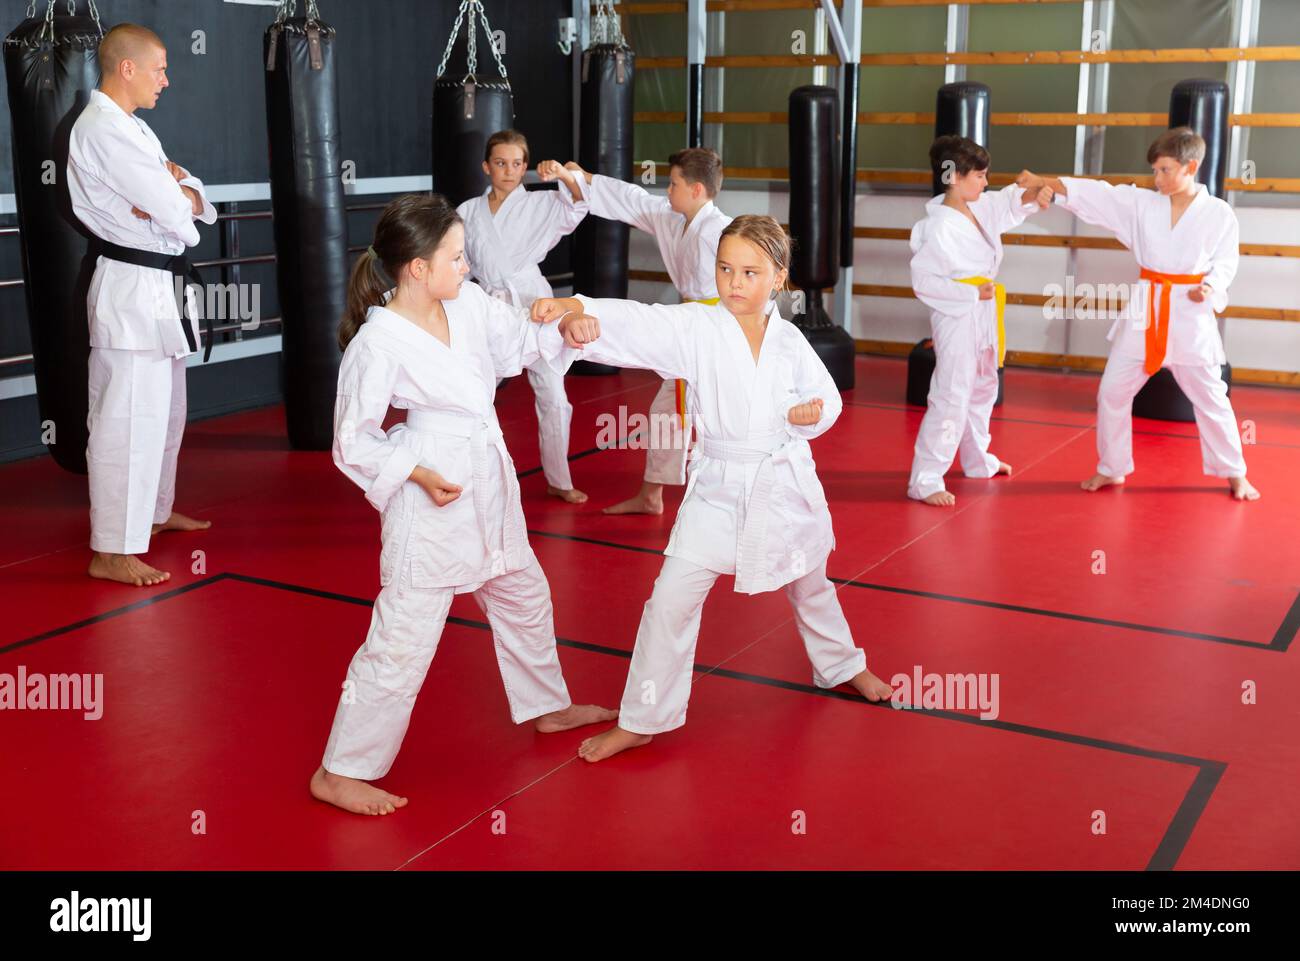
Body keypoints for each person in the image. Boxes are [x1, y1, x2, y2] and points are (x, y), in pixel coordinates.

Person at [531, 215, 894, 763]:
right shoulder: (699, 327)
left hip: (781, 480)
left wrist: (806, 416)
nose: (734, 282)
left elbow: (828, 400)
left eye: (750, 272)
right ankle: (643, 718)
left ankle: (844, 665)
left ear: (778, 278)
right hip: (719, 487)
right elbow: (640, 322)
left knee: (810, 583)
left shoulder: (789, 338)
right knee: (669, 601)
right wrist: (577, 308)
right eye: (725, 269)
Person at [309, 194, 615, 816]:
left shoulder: (468, 304)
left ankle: (547, 706)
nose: (466, 266)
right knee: (402, 636)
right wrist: (415, 471)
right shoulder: (378, 341)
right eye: (454, 257)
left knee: (523, 593)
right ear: (417, 268)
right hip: (431, 494)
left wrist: (564, 325)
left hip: (486, 476)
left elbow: (519, 340)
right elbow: (351, 439)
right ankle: (340, 770)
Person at [1019, 127, 1259, 500]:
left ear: (1189, 166)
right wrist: (1043, 182)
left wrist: (1210, 288)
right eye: (1155, 171)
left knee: (1211, 396)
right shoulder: (1144, 205)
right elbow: (1099, 194)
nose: (1156, 178)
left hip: (1190, 314)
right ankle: (1112, 468)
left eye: (1164, 170)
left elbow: (1226, 263)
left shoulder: (1218, 214)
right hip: (1146, 309)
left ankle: (1234, 473)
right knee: (1112, 391)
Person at [68, 23, 217, 587]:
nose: (166, 80)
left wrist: (178, 193)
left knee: (167, 414)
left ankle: (153, 513)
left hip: (159, 291)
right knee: (124, 422)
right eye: (159, 69)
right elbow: (176, 210)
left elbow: (197, 202)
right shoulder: (103, 130)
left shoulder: (135, 129)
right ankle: (111, 548)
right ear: (126, 67)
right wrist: (173, 196)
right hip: (130, 289)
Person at [564, 147, 732, 514]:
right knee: (670, 412)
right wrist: (584, 178)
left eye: (673, 184)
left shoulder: (720, 232)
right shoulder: (674, 219)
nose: (667, 190)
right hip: (689, 327)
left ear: (697, 190)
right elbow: (633, 199)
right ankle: (654, 494)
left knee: (711, 415)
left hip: (719, 331)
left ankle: (716, 497)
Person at [907, 135, 1052, 506]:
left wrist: (1033, 191)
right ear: (954, 177)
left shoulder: (979, 207)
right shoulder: (937, 227)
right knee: (952, 393)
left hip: (984, 311)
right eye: (980, 176)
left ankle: (976, 459)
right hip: (957, 314)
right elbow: (924, 282)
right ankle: (926, 478)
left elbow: (1007, 202)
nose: (986, 182)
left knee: (985, 384)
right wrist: (971, 294)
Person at [456, 129, 590, 504]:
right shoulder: (467, 212)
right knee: (473, 392)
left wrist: (564, 175)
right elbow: (460, 266)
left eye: (517, 164)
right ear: (486, 167)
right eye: (500, 163)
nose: (509, 171)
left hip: (535, 304)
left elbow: (579, 204)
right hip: (488, 305)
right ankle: (467, 475)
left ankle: (559, 480)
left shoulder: (540, 204)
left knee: (554, 394)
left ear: (525, 167)